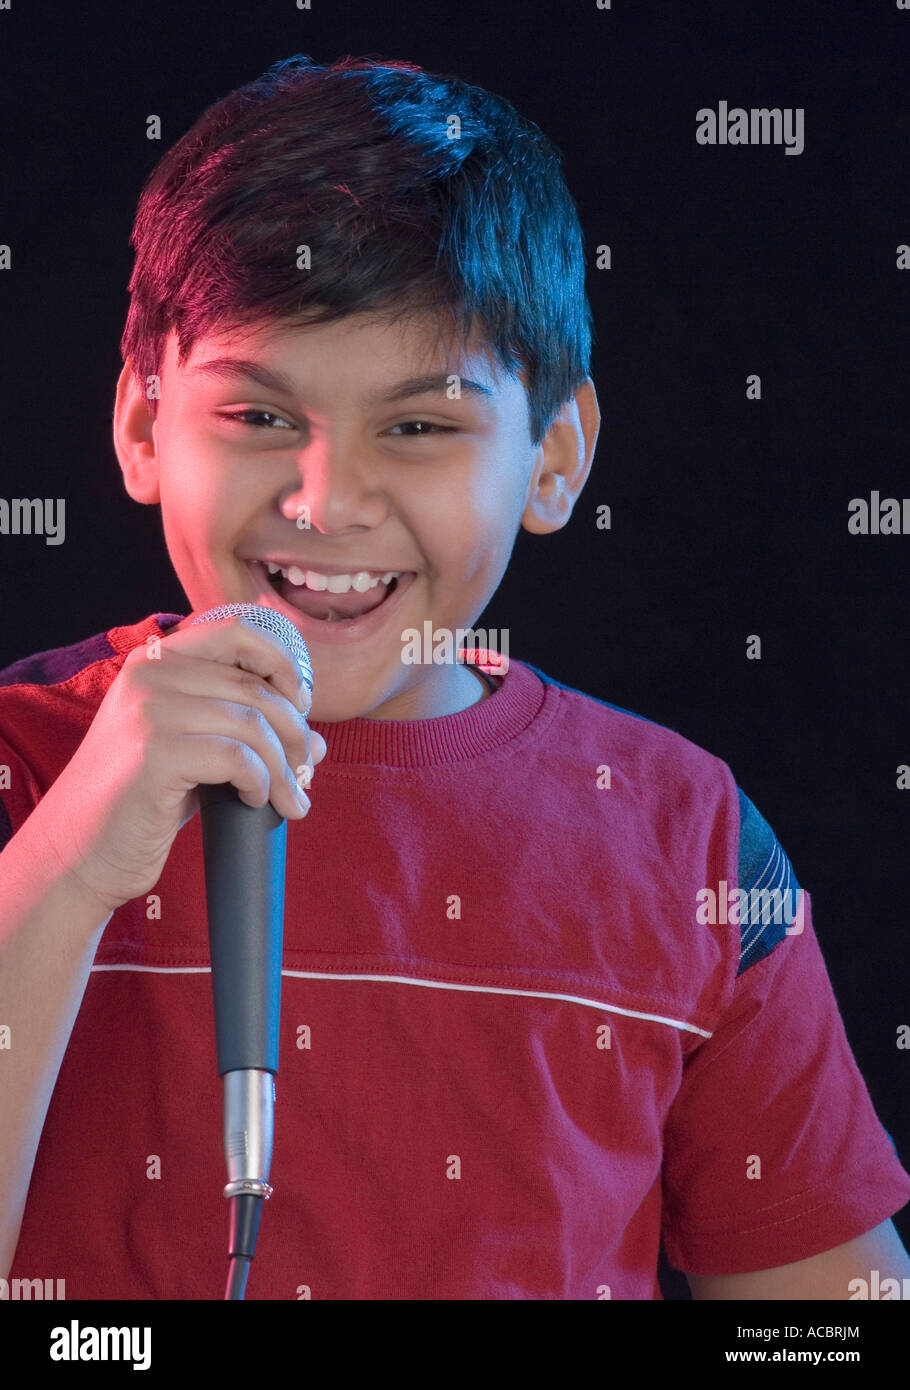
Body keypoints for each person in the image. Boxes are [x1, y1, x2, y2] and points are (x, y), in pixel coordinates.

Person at [1, 53, 908, 1301]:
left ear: (553, 458)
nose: (327, 502)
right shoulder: (23, 767)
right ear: (146, 424)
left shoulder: (688, 839)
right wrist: (61, 870)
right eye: (259, 417)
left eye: (419, 426)